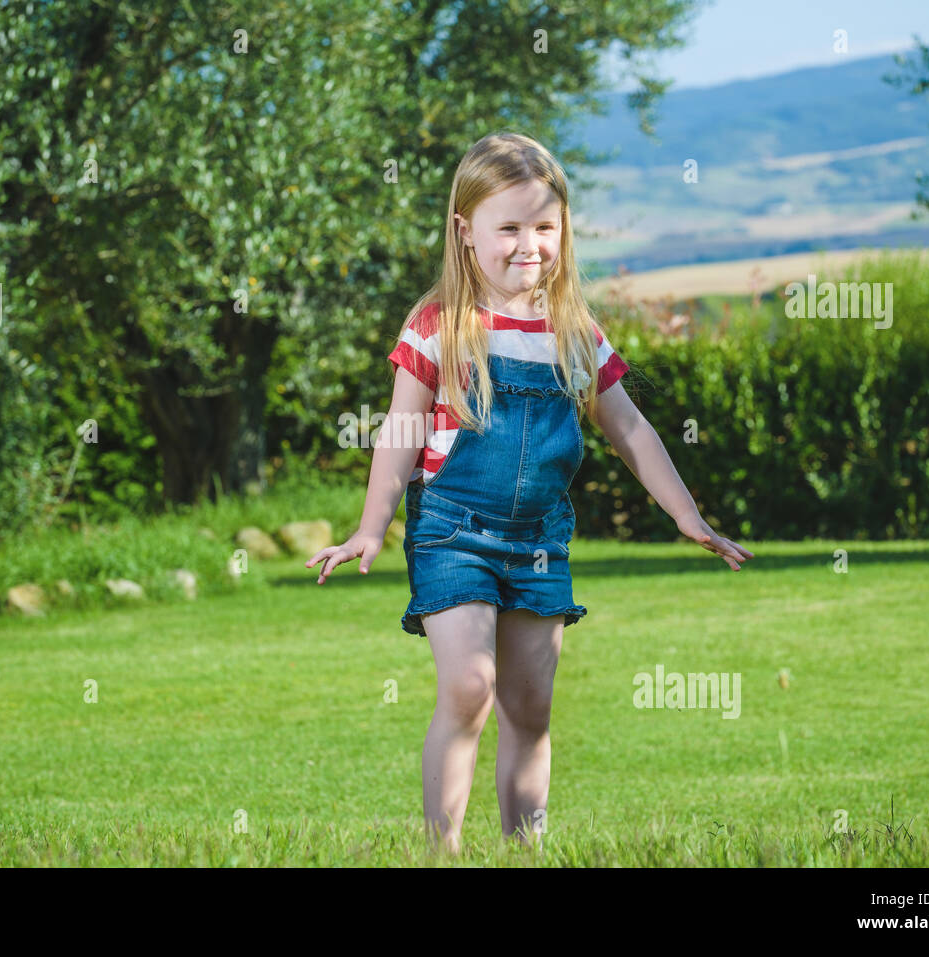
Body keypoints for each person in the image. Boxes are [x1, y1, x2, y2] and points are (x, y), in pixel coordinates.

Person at [305, 132, 754, 857]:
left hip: (540, 539)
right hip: (451, 530)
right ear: (465, 231)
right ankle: (441, 849)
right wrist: (369, 527)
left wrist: (686, 514)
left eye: (544, 226)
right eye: (508, 227)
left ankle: (525, 850)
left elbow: (631, 429)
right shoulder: (440, 325)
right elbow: (398, 433)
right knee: (469, 688)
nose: (528, 244)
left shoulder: (575, 332)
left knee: (530, 705)